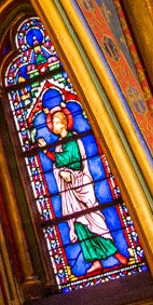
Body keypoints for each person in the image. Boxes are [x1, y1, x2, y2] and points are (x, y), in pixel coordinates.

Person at [40, 102, 129, 275]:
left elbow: (69, 159)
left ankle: (119, 256)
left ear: (64, 123)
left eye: (56, 122)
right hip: (70, 191)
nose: (53, 127)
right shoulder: (59, 143)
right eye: (53, 123)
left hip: (81, 185)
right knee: (81, 226)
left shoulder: (72, 140)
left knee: (95, 223)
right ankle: (96, 262)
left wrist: (46, 152)